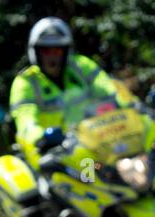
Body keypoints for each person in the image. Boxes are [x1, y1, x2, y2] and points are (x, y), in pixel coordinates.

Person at [8, 17, 138, 168]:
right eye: (45, 50)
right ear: (36, 52)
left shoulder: (81, 66)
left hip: (97, 144)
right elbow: (25, 121)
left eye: (57, 50)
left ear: (66, 51)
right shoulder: (26, 82)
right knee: (88, 182)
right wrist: (41, 138)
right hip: (55, 155)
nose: (51, 56)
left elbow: (110, 91)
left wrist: (133, 107)